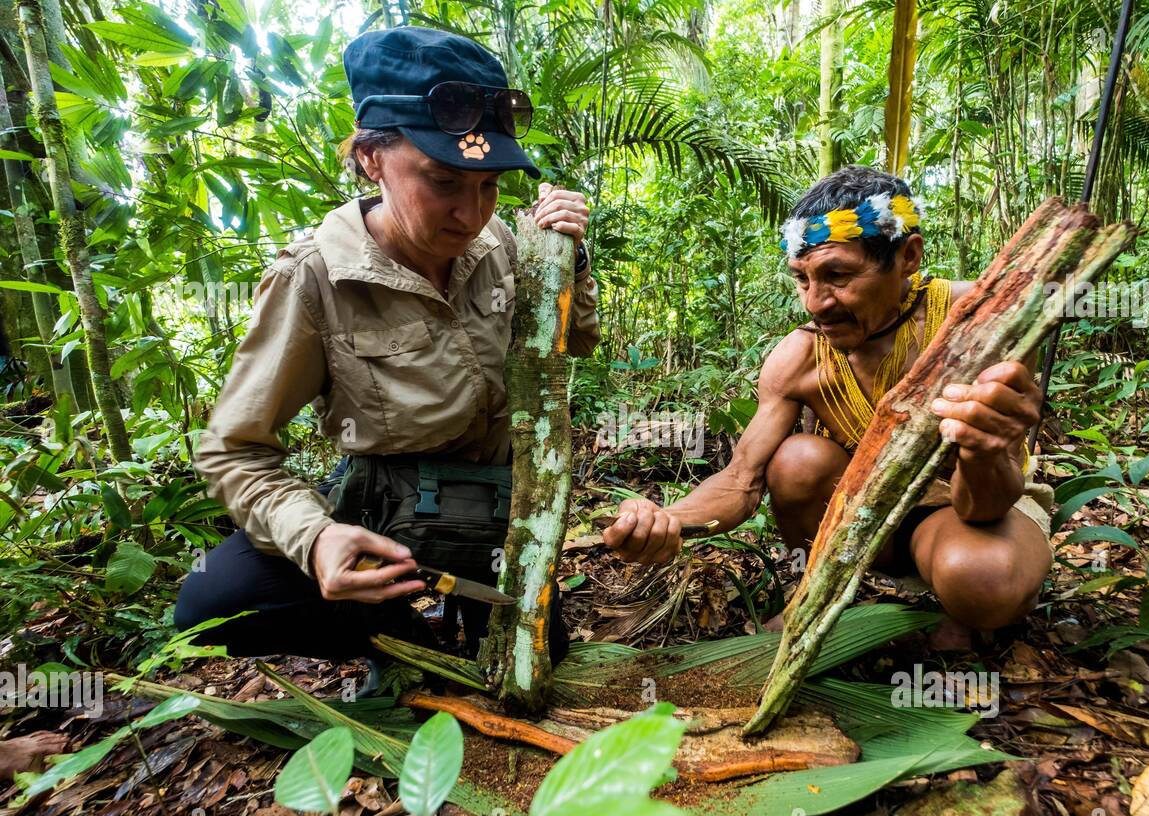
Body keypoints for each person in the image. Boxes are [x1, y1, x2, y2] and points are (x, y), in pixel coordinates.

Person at [174, 28, 599, 666]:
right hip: (388, 520)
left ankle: (463, 620)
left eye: (489, 187)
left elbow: (578, 344)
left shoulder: (503, 244)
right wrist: (316, 538)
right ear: (372, 159)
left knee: (531, 671)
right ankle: (395, 638)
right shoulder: (312, 279)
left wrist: (570, 262)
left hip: (496, 517)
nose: (471, 214)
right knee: (215, 600)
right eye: (443, 182)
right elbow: (232, 449)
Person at [603, 167, 1053, 646]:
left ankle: (954, 605)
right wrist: (669, 520)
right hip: (865, 519)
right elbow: (740, 478)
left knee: (981, 581)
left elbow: (984, 503)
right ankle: (820, 587)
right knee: (798, 458)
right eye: (802, 280)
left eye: (837, 275)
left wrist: (982, 450)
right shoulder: (799, 357)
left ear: (908, 256)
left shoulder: (978, 323)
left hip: (970, 512)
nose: (816, 303)